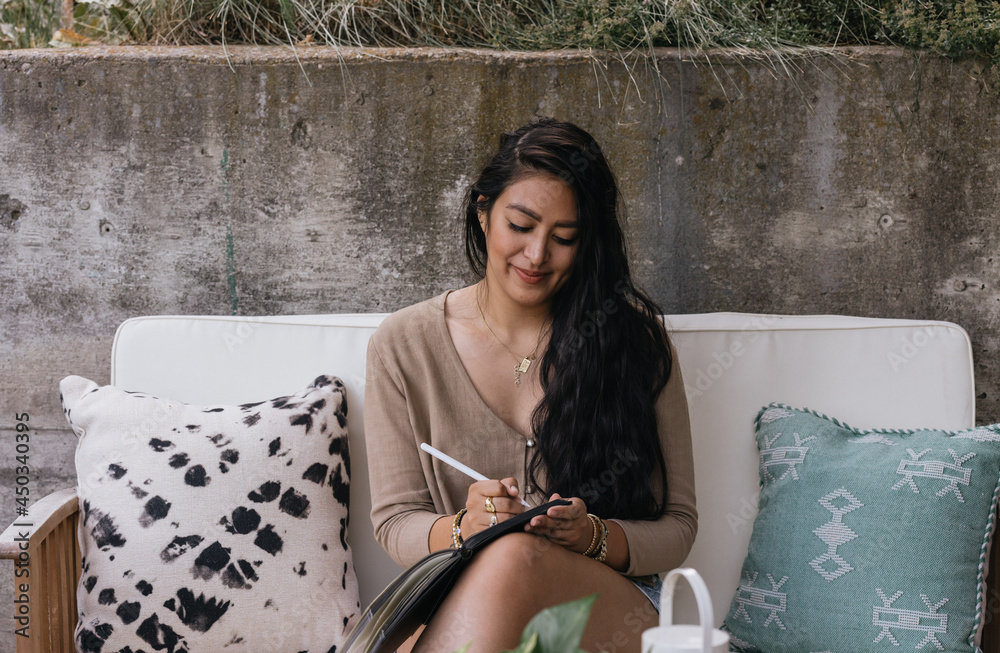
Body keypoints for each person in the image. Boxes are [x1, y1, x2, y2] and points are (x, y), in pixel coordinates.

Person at [364, 116, 697, 653]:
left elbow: (678, 526)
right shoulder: (404, 344)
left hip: (613, 613)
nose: (537, 256)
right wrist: (464, 528)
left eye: (564, 238)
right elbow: (395, 520)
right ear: (482, 212)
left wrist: (594, 537)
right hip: (466, 604)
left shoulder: (635, 344)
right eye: (520, 226)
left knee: (516, 555)